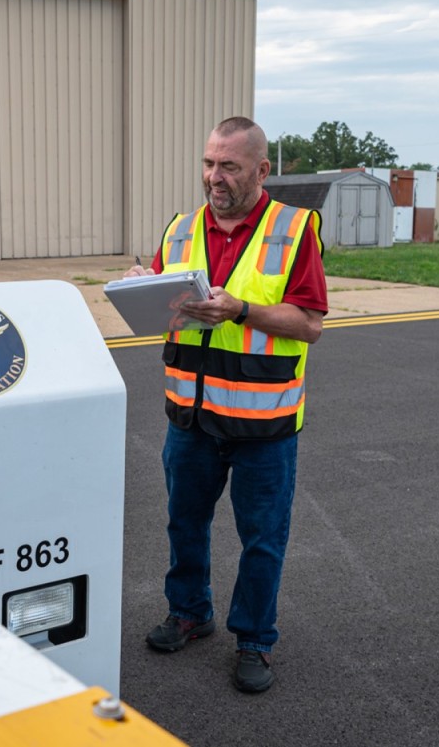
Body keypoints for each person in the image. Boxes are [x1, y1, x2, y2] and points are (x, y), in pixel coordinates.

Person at [127, 116, 327, 693]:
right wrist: (145, 284)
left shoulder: (295, 229)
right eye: (209, 163)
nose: (215, 177)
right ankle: (190, 613)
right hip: (189, 415)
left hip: (263, 421)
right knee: (184, 522)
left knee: (262, 539)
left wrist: (242, 310)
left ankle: (255, 640)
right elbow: (169, 299)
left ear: (262, 171)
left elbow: (310, 324)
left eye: (229, 166)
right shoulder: (181, 228)